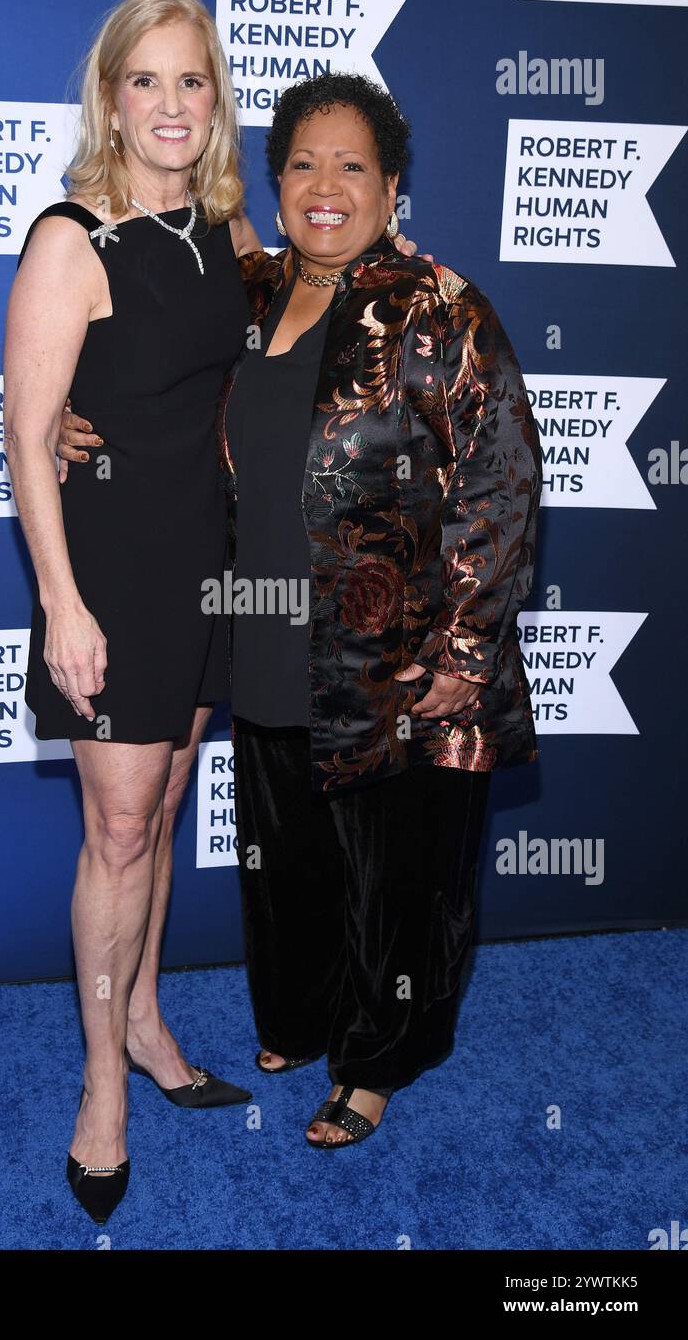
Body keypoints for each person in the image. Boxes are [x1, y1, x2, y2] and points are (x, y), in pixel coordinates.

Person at [223, 73, 542, 1147]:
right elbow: (159, 401)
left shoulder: (442, 307)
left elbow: (501, 486)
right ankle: (301, 1014)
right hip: (265, 627)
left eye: (350, 164)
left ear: (390, 184)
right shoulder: (253, 294)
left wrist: (461, 647)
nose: (325, 185)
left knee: (393, 874)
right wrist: (77, 421)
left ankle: (377, 1057)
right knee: (285, 852)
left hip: (398, 659)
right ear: (276, 189)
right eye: (303, 163)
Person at [3, 0, 262, 1225]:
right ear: (112, 95)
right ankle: (102, 1085)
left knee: (161, 807)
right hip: (107, 569)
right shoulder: (70, 236)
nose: (170, 104)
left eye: (193, 80)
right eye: (147, 79)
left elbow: (260, 355)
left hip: (205, 564)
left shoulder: (224, 226)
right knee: (114, 832)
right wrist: (60, 602)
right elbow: (24, 436)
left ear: (216, 103)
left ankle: (151, 1022)